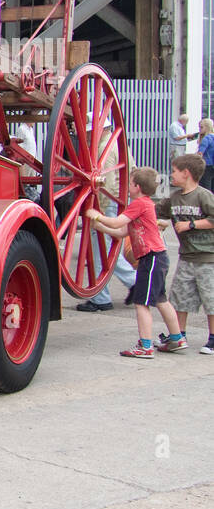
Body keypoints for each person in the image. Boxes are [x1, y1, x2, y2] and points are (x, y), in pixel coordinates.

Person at [85, 167, 180, 358]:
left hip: (150, 258)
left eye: (129, 183)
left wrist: (95, 214)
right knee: (161, 299)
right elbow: (121, 233)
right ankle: (177, 338)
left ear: (137, 186)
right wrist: (99, 226)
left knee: (141, 303)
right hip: (157, 258)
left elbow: (117, 223)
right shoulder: (144, 206)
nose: (127, 186)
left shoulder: (139, 204)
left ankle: (145, 346)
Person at [154, 153, 214, 354]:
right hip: (186, 256)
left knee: (210, 300)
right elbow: (158, 214)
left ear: (186, 173)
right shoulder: (174, 198)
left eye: (174, 171)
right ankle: (179, 335)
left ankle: (212, 339)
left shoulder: (204, 196)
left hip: (207, 258)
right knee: (180, 297)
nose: (171, 175)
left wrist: (191, 224)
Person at [75, 114, 136, 312]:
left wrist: (96, 210)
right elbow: (131, 171)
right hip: (119, 200)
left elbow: (106, 182)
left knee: (101, 250)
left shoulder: (104, 149)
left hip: (108, 202)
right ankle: (135, 284)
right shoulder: (119, 144)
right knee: (108, 250)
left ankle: (104, 296)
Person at [197, 117, 214, 192]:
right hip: (212, 164)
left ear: (207, 127)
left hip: (206, 164)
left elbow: (200, 153)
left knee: (205, 184)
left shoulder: (206, 139)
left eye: (201, 127)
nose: (200, 129)